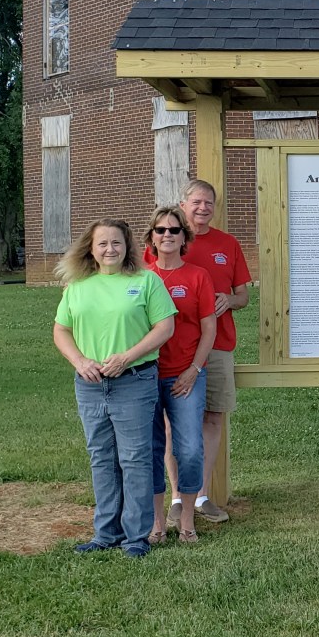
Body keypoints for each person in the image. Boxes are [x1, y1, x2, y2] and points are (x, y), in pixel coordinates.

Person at [52, 218, 175, 558]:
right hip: (90, 385)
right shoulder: (77, 286)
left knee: (135, 458)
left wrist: (126, 357)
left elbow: (165, 327)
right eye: (103, 243)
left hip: (134, 381)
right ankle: (106, 533)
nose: (110, 249)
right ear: (90, 249)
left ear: (128, 246)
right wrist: (79, 361)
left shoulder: (146, 281)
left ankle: (136, 537)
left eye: (117, 242)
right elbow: (61, 330)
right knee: (102, 458)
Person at [180, 179, 253, 522]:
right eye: (196, 202)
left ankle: (201, 495)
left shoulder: (228, 243)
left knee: (212, 417)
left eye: (209, 202)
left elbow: (244, 295)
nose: (203, 208)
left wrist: (230, 299)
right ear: (183, 204)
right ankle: (178, 497)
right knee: (174, 422)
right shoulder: (169, 240)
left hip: (219, 345)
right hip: (177, 347)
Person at [145, 207, 217, 545]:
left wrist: (194, 370)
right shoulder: (141, 277)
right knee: (150, 448)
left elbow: (208, 328)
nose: (167, 235)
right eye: (160, 230)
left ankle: (187, 518)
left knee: (189, 449)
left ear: (184, 237)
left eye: (174, 230)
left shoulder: (198, 276)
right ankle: (157, 521)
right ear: (151, 237)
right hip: (144, 377)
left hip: (185, 375)